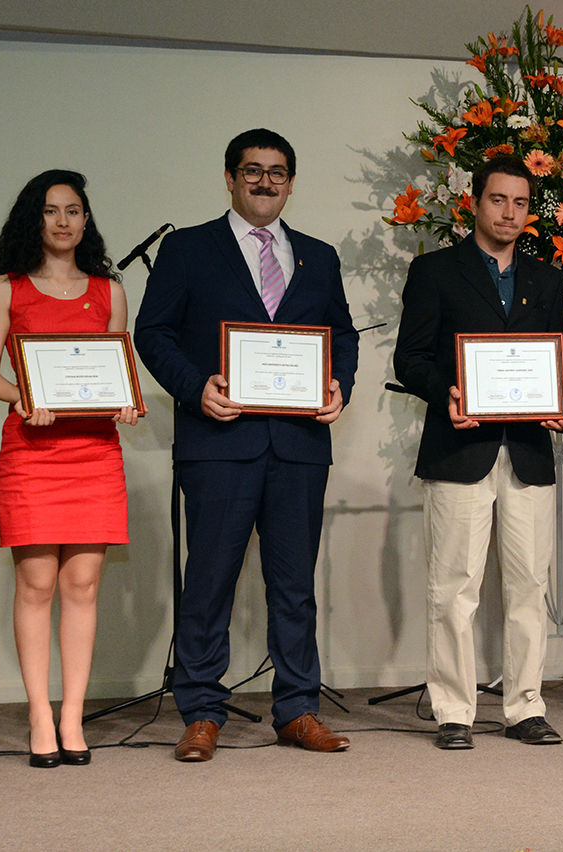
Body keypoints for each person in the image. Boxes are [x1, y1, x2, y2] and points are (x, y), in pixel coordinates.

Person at [134, 128, 359, 761]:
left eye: (277, 172)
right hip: (217, 443)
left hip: (298, 446)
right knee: (209, 580)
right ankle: (202, 710)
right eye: (252, 170)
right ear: (230, 178)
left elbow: (343, 335)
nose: (265, 181)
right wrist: (193, 387)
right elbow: (152, 334)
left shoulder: (319, 255)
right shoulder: (187, 250)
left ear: (291, 181)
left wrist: (338, 383)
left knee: (294, 585)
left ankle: (298, 710)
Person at [393, 156, 563, 750]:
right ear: (475, 202)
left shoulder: (548, 279)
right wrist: (447, 389)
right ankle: (453, 711)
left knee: (528, 586)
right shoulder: (435, 271)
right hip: (458, 447)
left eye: (521, 203)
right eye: (499, 200)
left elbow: (557, 363)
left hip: (527, 451)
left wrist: (561, 400)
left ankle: (525, 707)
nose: (510, 213)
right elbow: (410, 359)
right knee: (454, 585)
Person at [0, 170, 139, 767]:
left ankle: (73, 716)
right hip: (32, 454)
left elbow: (114, 366)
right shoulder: (7, 288)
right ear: (34, 219)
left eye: (73, 211)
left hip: (94, 453)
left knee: (83, 585)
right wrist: (21, 396)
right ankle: (39, 716)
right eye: (51, 211)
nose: (63, 221)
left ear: (86, 220)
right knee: (37, 584)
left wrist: (124, 398)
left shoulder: (108, 290)